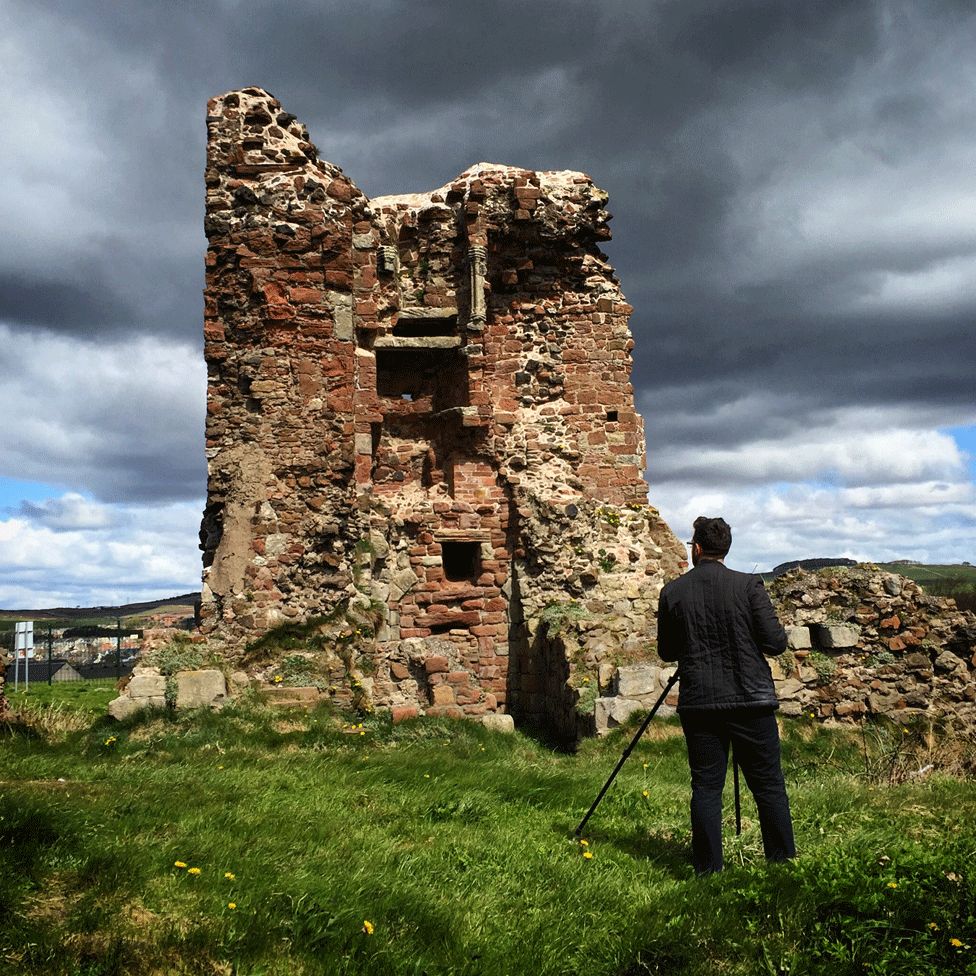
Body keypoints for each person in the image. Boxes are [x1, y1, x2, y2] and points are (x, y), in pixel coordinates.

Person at [656, 516, 796, 875]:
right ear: (725, 549)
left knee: (705, 786)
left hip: (700, 700)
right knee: (768, 785)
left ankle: (708, 870)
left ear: (697, 548)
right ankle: (780, 865)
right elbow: (775, 643)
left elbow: (668, 651)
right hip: (751, 698)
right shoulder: (749, 586)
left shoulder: (673, 591)